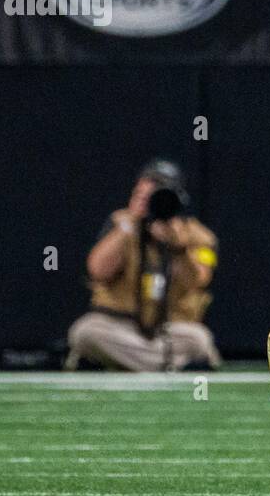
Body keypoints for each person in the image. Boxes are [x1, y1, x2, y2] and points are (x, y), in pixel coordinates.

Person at [66, 159, 221, 372]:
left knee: (200, 340)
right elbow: (97, 271)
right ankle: (169, 364)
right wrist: (128, 227)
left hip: (170, 329)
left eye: (157, 196)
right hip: (120, 326)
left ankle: (120, 361)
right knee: (84, 332)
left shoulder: (197, 235)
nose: (151, 202)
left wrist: (178, 247)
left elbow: (199, 280)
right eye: (142, 196)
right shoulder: (121, 223)